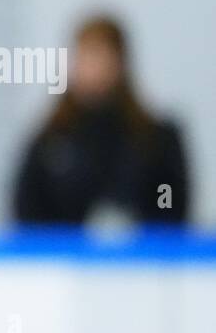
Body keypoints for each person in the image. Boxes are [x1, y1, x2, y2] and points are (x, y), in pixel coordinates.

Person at [11, 14, 189, 228]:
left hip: (141, 258)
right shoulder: (49, 142)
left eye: (101, 56)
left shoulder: (155, 141)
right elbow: (26, 210)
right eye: (85, 56)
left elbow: (170, 202)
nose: (93, 68)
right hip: (62, 257)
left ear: (120, 63)